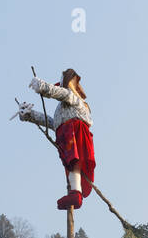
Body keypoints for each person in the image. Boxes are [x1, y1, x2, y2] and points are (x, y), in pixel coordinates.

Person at [18, 68, 96, 210]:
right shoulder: (63, 109)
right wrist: (29, 115)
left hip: (74, 132)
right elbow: (53, 123)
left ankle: (76, 194)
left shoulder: (74, 98)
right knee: (71, 165)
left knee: (74, 162)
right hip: (65, 135)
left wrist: (43, 87)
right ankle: (75, 192)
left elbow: (63, 94)